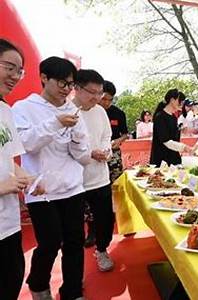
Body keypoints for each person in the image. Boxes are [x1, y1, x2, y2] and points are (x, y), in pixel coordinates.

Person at [12, 56, 90, 300]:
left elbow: (82, 155)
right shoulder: (23, 108)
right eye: (62, 84)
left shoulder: (71, 109)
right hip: (41, 190)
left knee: (75, 244)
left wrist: (77, 136)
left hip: (72, 187)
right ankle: (38, 283)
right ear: (44, 78)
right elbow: (25, 144)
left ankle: (73, 290)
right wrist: (55, 123)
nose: (67, 91)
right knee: (49, 244)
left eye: (71, 85)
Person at [0, 38, 43, 300]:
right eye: (9, 67)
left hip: (8, 223)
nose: (15, 76)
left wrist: (30, 179)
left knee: (12, 279)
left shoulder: (5, 109)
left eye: (20, 70)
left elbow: (9, 159)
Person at [72, 69, 115, 273]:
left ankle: (102, 249)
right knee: (72, 228)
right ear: (77, 88)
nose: (97, 98)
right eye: (93, 92)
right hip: (74, 181)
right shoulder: (66, 111)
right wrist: (90, 153)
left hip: (100, 177)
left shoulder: (100, 111)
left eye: (100, 93)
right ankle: (73, 268)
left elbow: (107, 135)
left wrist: (106, 150)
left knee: (105, 218)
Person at [150, 89, 193, 166]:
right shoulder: (160, 117)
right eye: (180, 101)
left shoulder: (173, 117)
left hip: (173, 159)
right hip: (162, 160)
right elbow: (166, 140)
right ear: (172, 100)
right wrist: (184, 147)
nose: (182, 104)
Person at [99, 80, 128, 183]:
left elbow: (125, 134)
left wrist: (119, 140)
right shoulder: (91, 111)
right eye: (104, 99)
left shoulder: (118, 113)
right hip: (96, 153)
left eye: (110, 100)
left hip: (114, 153)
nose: (106, 103)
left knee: (117, 183)